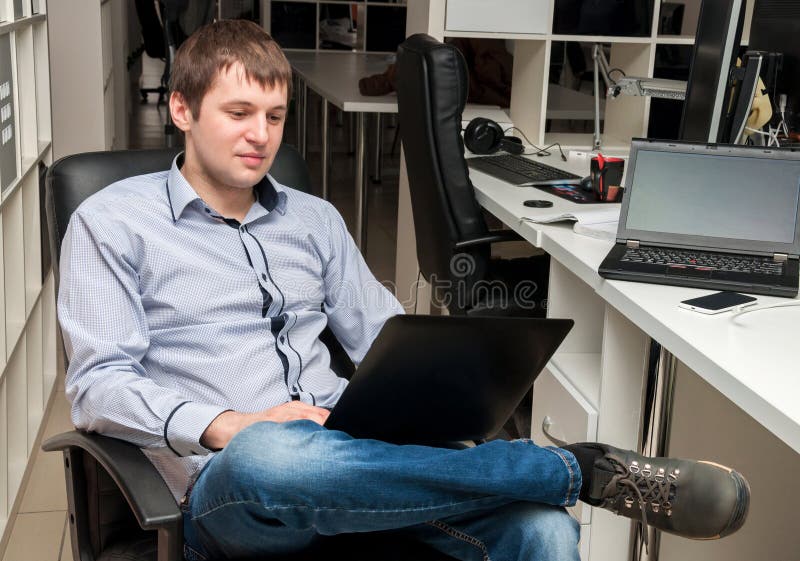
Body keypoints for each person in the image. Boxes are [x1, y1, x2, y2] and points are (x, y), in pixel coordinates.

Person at [58, 20, 750, 561]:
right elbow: (98, 386)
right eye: (239, 113)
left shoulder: (313, 219)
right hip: (234, 488)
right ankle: (576, 467)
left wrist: (441, 387)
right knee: (273, 452)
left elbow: (385, 335)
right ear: (180, 108)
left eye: (274, 116)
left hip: (355, 456)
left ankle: (549, 480)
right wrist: (231, 423)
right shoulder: (114, 222)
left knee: (540, 532)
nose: (260, 136)